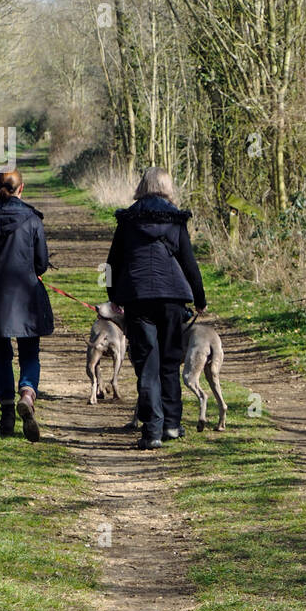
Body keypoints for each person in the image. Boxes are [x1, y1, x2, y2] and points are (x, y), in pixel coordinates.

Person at [104, 167, 206, 450]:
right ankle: (173, 424)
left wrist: (113, 294)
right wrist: (199, 297)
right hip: (173, 298)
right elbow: (189, 263)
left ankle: (152, 431)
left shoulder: (127, 220)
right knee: (171, 361)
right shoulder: (175, 220)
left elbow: (110, 263)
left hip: (137, 297)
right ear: (167, 187)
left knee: (147, 364)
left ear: (141, 186)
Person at [0, 169, 54, 442]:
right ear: (22, 188)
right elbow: (41, 262)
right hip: (26, 296)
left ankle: (6, 413)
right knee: (30, 352)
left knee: (1, 354)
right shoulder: (31, 219)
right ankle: (28, 394)